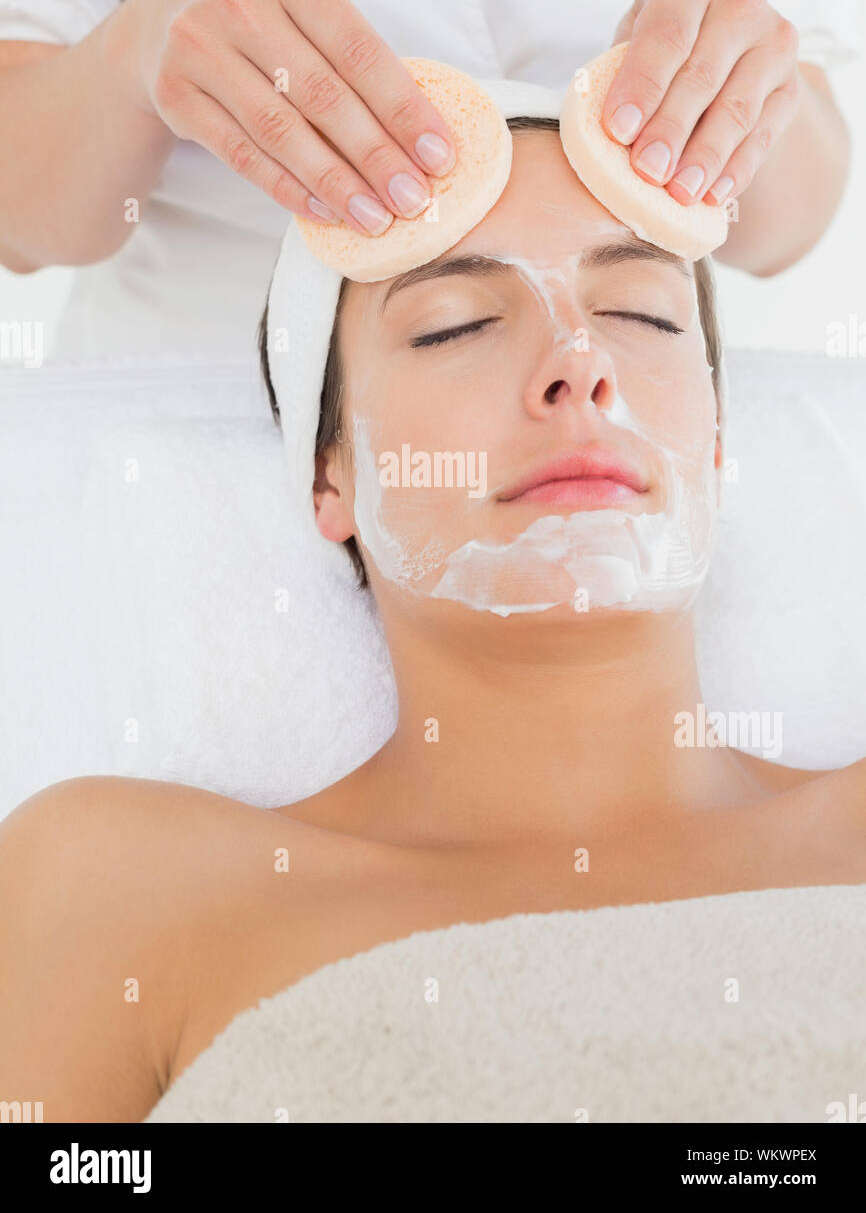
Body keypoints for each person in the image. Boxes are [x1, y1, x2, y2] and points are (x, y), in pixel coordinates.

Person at [1, 117, 863, 1122]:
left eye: (639, 313)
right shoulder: (123, 883)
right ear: (331, 474)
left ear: (713, 445)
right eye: (452, 322)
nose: (579, 363)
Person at [0, 0, 856, 359]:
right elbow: (20, 220)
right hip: (196, 396)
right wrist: (132, 54)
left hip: (620, 427)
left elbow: (787, 230)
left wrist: (738, 103)